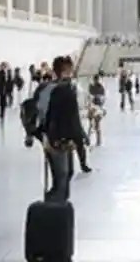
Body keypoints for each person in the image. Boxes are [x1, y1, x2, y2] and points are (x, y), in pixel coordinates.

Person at [42, 56, 86, 203]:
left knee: (65, 175)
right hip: (58, 140)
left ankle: (55, 205)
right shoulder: (60, 90)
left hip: (62, 139)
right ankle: (56, 210)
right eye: (69, 70)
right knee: (62, 176)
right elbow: (57, 117)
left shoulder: (61, 89)